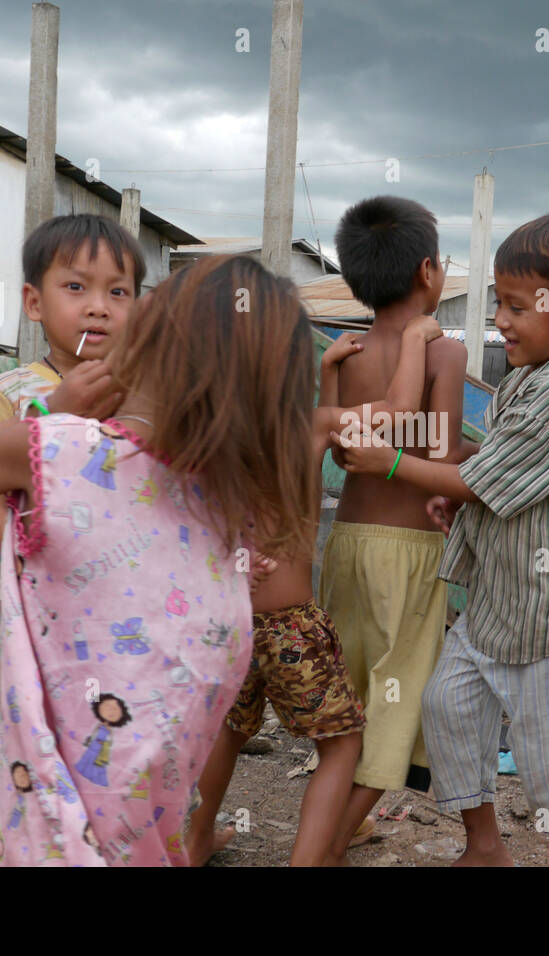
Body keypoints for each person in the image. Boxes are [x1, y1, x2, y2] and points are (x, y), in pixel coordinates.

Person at [0, 254, 318, 865]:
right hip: (144, 820)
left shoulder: (63, 446)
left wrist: (50, 415)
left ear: (150, 346)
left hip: (53, 822)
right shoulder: (226, 493)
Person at [333, 211, 549, 866]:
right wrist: (451, 473)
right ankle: (484, 846)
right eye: (500, 303)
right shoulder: (525, 377)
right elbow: (485, 457)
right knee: (448, 705)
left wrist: (398, 466)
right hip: (496, 598)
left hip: (546, 615)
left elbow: (483, 478)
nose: (502, 319)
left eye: (519, 307)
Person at [189, 314, 444, 866]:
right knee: (341, 744)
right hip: (289, 627)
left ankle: (193, 843)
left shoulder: (203, 439)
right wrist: (416, 338)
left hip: (221, 625)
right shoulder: (306, 422)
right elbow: (399, 410)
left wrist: (329, 372)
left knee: (227, 730)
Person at [0, 213, 144, 865]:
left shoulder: (151, 397)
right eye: (77, 287)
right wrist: (58, 412)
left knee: (126, 765)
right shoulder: (11, 394)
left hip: (126, 632)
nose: (99, 307)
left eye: (119, 292)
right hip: (31, 630)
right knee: (10, 763)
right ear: (34, 301)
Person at [317, 195, 470, 853]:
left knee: (348, 699)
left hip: (346, 543)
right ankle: (325, 836)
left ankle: (338, 819)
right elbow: (436, 455)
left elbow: (340, 443)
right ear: (429, 272)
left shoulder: (344, 352)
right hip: (409, 552)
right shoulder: (445, 352)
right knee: (397, 702)